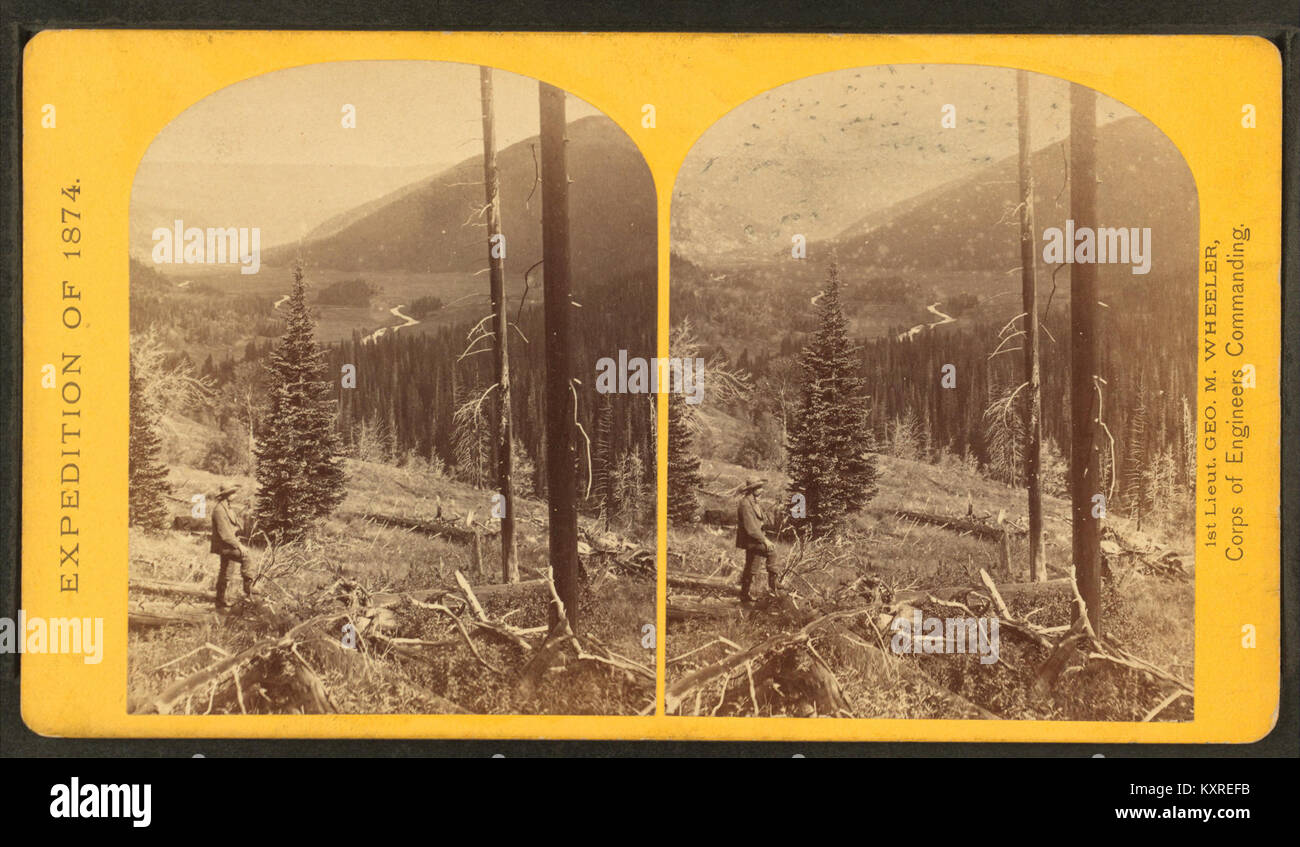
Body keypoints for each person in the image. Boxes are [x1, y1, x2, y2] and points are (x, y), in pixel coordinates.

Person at [210, 484, 253, 611]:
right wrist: (239, 546)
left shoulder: (228, 508)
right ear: (227, 495)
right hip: (224, 546)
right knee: (247, 556)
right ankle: (249, 592)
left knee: (226, 572)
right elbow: (225, 535)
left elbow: (234, 527)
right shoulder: (219, 510)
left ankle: (220, 601)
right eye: (233, 493)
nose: (235, 495)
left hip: (228, 544)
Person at [735, 478, 779, 602]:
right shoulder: (745, 504)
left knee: (751, 566)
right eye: (759, 488)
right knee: (771, 551)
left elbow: (758, 523)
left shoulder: (754, 502)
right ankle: (774, 586)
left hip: (754, 540)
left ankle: (744, 595)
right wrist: (765, 541)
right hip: (751, 541)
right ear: (752, 490)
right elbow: (751, 529)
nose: (762, 490)